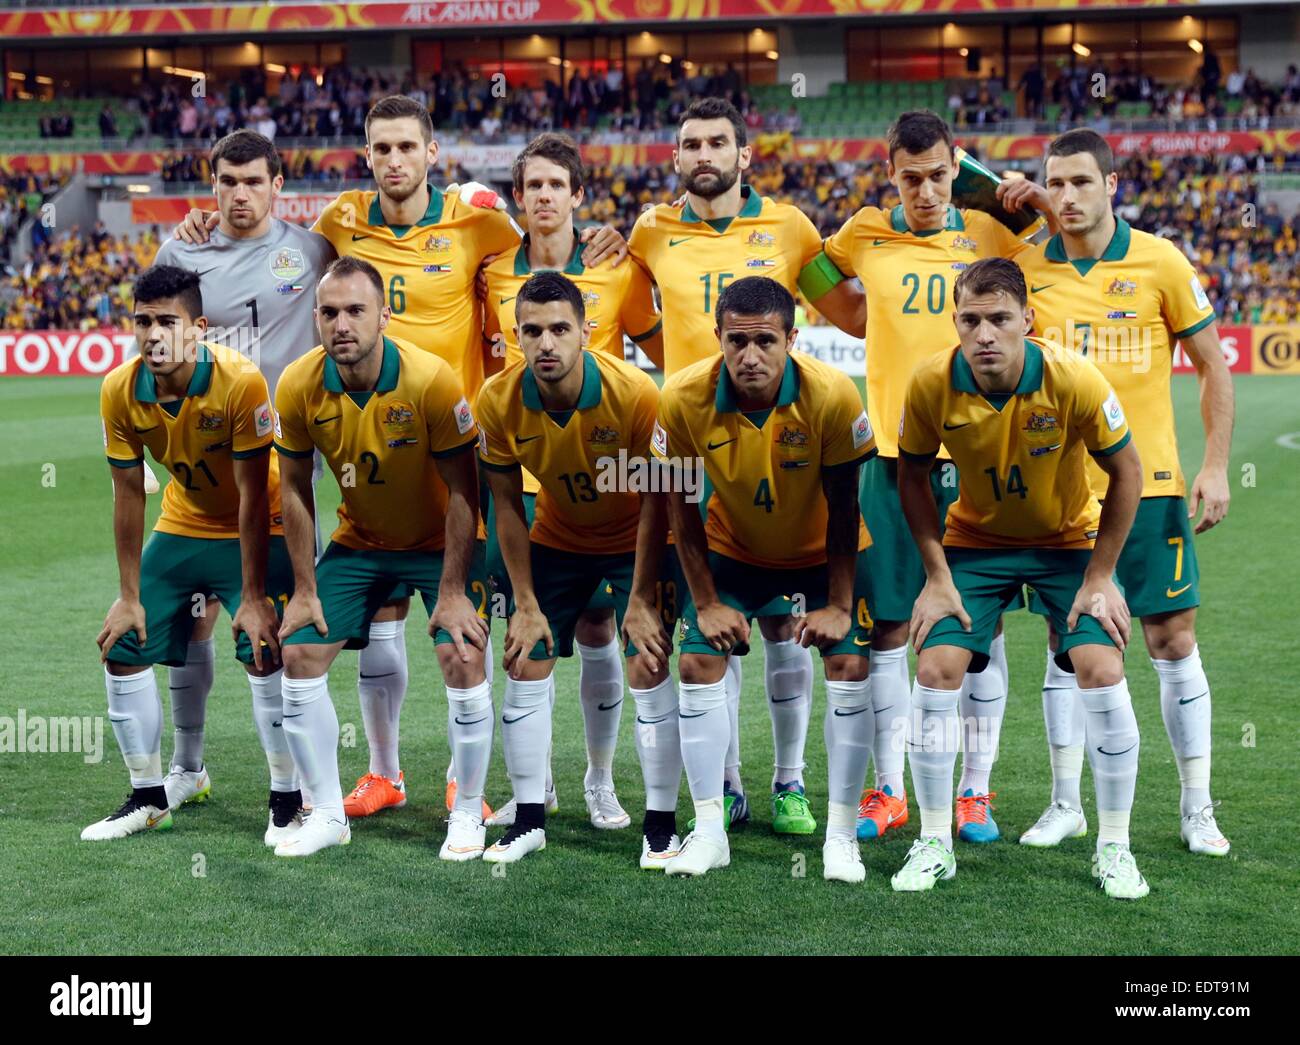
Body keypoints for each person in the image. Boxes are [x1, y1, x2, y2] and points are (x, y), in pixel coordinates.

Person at [810, 110, 1054, 844]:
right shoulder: (864, 232)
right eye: (910, 177)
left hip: (979, 459)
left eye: (938, 175)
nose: (924, 190)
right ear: (891, 173)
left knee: (981, 627)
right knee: (887, 625)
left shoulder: (987, 231)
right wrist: (861, 320)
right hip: (891, 458)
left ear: (957, 168)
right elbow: (816, 276)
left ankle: (974, 791)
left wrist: (1035, 203)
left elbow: (1060, 260)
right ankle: (889, 788)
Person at [629, 96, 868, 839]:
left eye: (717, 142)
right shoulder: (647, 230)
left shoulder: (792, 227)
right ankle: (726, 786)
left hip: (782, 435)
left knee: (787, 628)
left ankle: (788, 780)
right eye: (691, 143)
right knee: (711, 631)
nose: (704, 154)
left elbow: (856, 314)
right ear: (675, 157)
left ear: (744, 154)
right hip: (692, 434)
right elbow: (628, 316)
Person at [894, 256, 1148, 899]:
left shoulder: (1072, 377)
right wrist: (936, 575)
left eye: (1000, 319)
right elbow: (911, 476)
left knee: (1101, 669)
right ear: (956, 322)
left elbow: (1128, 472)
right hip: (975, 543)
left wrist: (1101, 576)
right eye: (971, 320)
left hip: (1067, 543)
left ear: (1027, 320)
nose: (984, 334)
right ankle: (934, 840)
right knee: (935, 669)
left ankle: (1115, 847)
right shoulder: (930, 383)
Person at [1019, 129, 1233, 856]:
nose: (1067, 196)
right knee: (1065, 644)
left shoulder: (1160, 260)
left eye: (1082, 181)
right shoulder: (1028, 271)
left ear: (1111, 185)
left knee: (1171, 638)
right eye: (1055, 183)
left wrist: (1215, 465)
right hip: (1061, 497)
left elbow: (1212, 365)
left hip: (1153, 488)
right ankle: (1064, 803)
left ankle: (1197, 807)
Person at [651, 276, 877, 880]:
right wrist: (704, 602)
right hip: (733, 551)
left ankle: (839, 836)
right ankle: (709, 831)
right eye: (737, 341)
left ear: (791, 340)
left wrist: (838, 604)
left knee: (849, 663)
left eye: (765, 341)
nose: (750, 355)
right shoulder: (682, 397)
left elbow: (846, 507)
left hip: (818, 553)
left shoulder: (831, 394)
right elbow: (679, 507)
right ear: (719, 338)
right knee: (696, 662)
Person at [273, 256, 490, 858]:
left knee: (462, 655)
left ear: (384, 316)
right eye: (329, 312)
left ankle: (468, 810)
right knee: (299, 652)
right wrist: (304, 589)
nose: (341, 325)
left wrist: (453, 591)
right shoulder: (297, 384)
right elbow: (294, 489)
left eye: (355, 311)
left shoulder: (431, 379)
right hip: (362, 541)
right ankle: (326, 813)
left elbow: (465, 491)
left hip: (439, 542)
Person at [479, 132, 664, 831]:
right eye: (533, 186)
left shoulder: (618, 266)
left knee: (599, 627)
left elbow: (664, 348)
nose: (545, 196)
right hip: (532, 468)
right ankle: (536, 788)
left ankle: (601, 779)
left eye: (557, 184)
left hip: (616, 465)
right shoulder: (489, 271)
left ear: (578, 195)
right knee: (524, 634)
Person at [476, 271, 684, 866]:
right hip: (559, 538)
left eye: (560, 329)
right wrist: (524, 603)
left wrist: (639, 599)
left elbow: (659, 498)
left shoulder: (636, 394)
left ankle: (660, 825)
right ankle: (529, 820)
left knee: (648, 660)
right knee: (525, 657)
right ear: (515, 335)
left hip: (636, 541)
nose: (546, 343)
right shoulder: (496, 400)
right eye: (532, 331)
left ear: (586, 332)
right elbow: (507, 505)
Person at [86, 265, 298, 846]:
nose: (153, 335)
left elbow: (253, 494)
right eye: (143, 322)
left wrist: (252, 597)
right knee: (122, 645)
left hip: (262, 524)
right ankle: (150, 798)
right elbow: (129, 494)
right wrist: (129, 596)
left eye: (167, 322)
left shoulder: (240, 382)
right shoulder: (119, 389)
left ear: (198, 329)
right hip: (184, 522)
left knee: (263, 648)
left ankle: (288, 798)